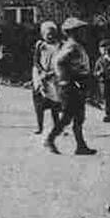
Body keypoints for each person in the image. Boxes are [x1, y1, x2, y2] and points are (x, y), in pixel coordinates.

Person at [45, 18, 97, 156]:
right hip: (70, 85)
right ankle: (50, 139)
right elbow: (59, 62)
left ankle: (81, 146)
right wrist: (67, 78)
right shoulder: (71, 46)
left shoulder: (76, 45)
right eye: (79, 31)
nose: (83, 33)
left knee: (79, 116)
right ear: (72, 33)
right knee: (68, 116)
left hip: (76, 84)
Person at [31, 21, 63, 135]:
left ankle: (57, 126)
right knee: (39, 101)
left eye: (52, 34)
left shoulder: (59, 45)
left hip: (54, 75)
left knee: (55, 103)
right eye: (47, 34)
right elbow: (36, 61)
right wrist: (42, 72)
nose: (49, 36)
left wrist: (53, 72)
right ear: (43, 34)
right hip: (41, 75)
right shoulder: (40, 45)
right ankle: (40, 126)